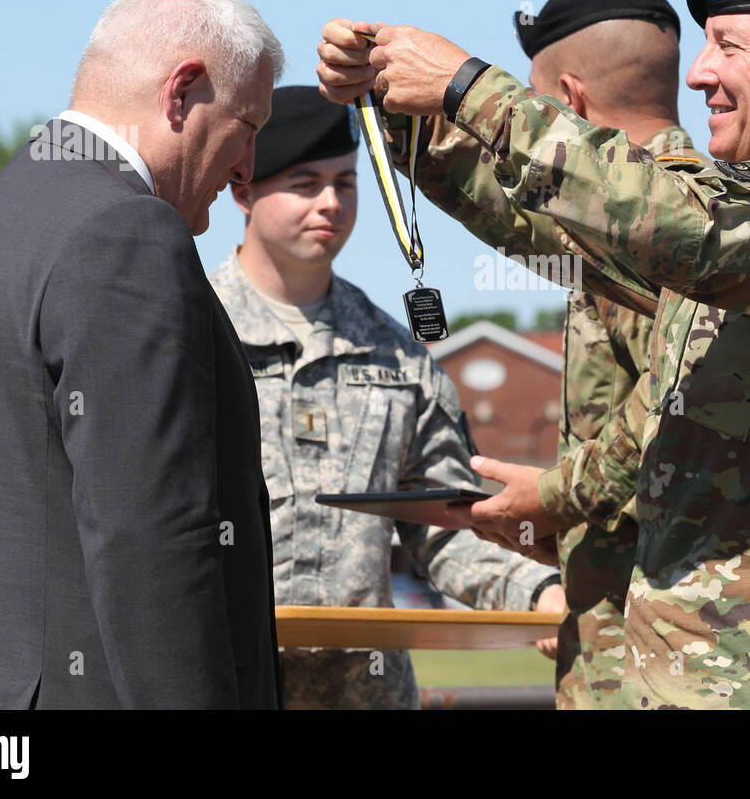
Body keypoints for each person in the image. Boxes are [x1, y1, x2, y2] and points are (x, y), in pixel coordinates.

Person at [316, 0, 750, 709]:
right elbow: (554, 224)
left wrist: (466, 88)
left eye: (728, 46)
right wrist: (395, 104)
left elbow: (684, 226)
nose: (698, 73)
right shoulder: (732, 234)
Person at [0, 0, 284, 708]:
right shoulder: (124, 231)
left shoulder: (8, 214)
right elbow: (153, 543)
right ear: (182, 91)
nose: (249, 168)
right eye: (249, 125)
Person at [207, 84, 564, 710]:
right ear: (243, 190)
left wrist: (537, 593)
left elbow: (449, 527)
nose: (330, 204)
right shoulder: (195, 338)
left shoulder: (398, 358)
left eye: (345, 184)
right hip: (223, 687)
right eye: (304, 183)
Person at [455, 0, 707, 708]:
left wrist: (548, 499)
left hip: (652, 661)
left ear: (567, 103)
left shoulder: (648, 225)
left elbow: (675, 430)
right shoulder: (704, 210)